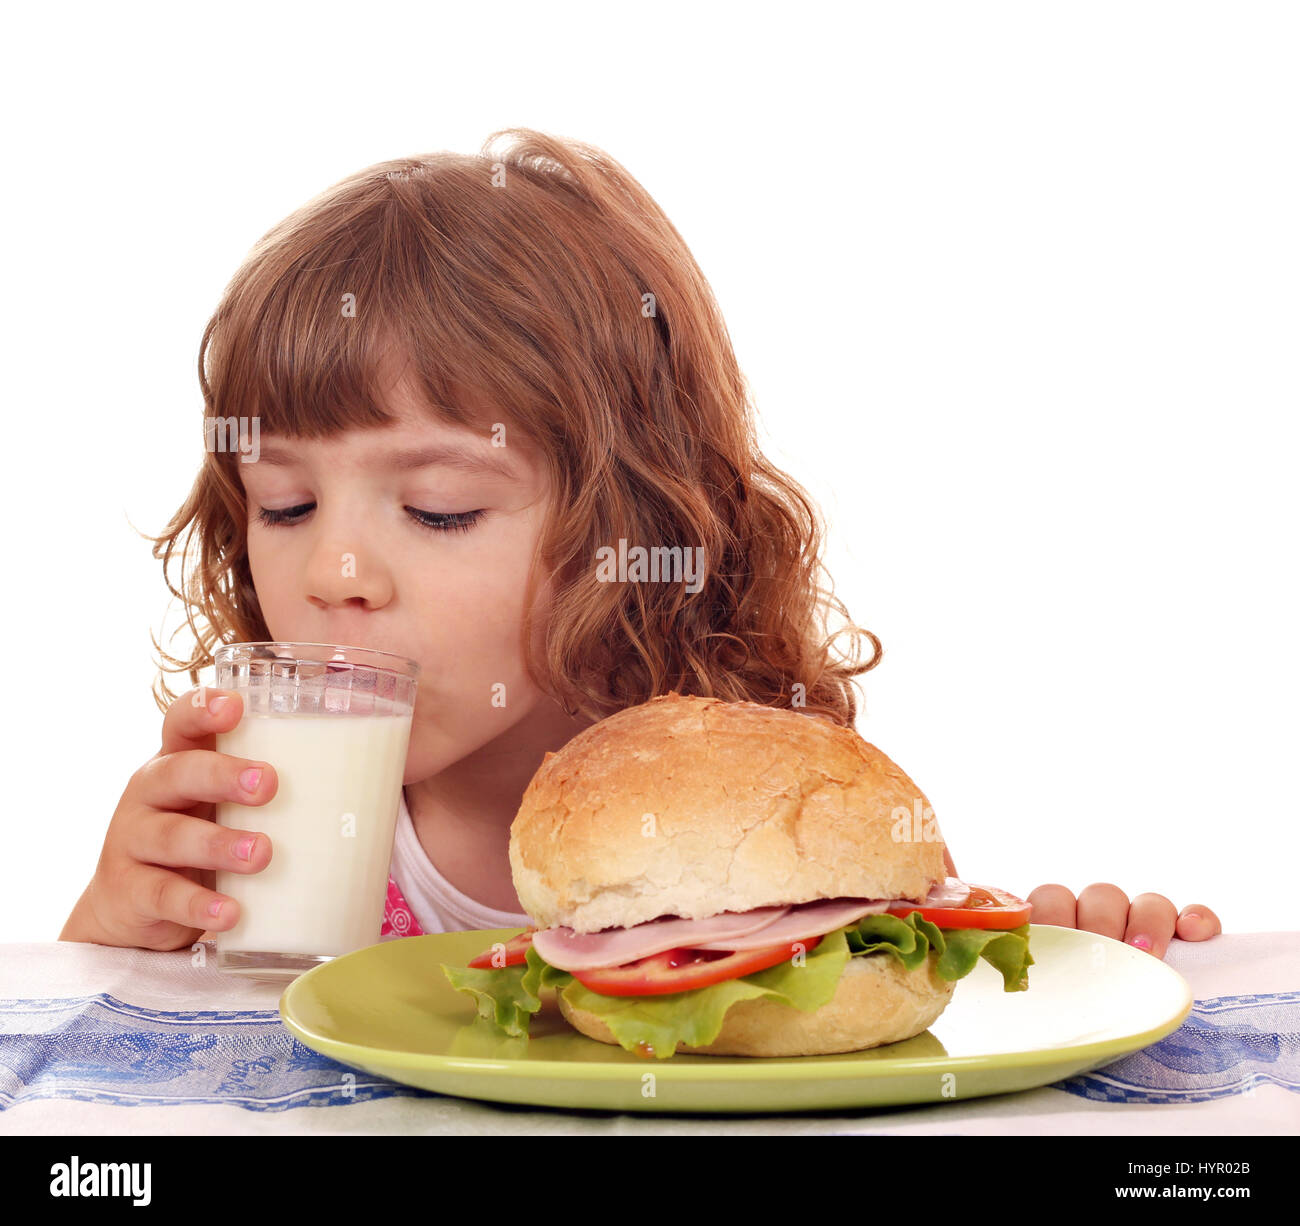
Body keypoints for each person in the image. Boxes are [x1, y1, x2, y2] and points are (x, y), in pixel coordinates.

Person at [59, 128, 1219, 962]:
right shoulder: (248, 831)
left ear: (628, 527)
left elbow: (911, 990)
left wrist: (1072, 953)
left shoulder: (757, 810)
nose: (332, 576)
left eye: (441, 509)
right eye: (285, 505)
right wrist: (117, 929)